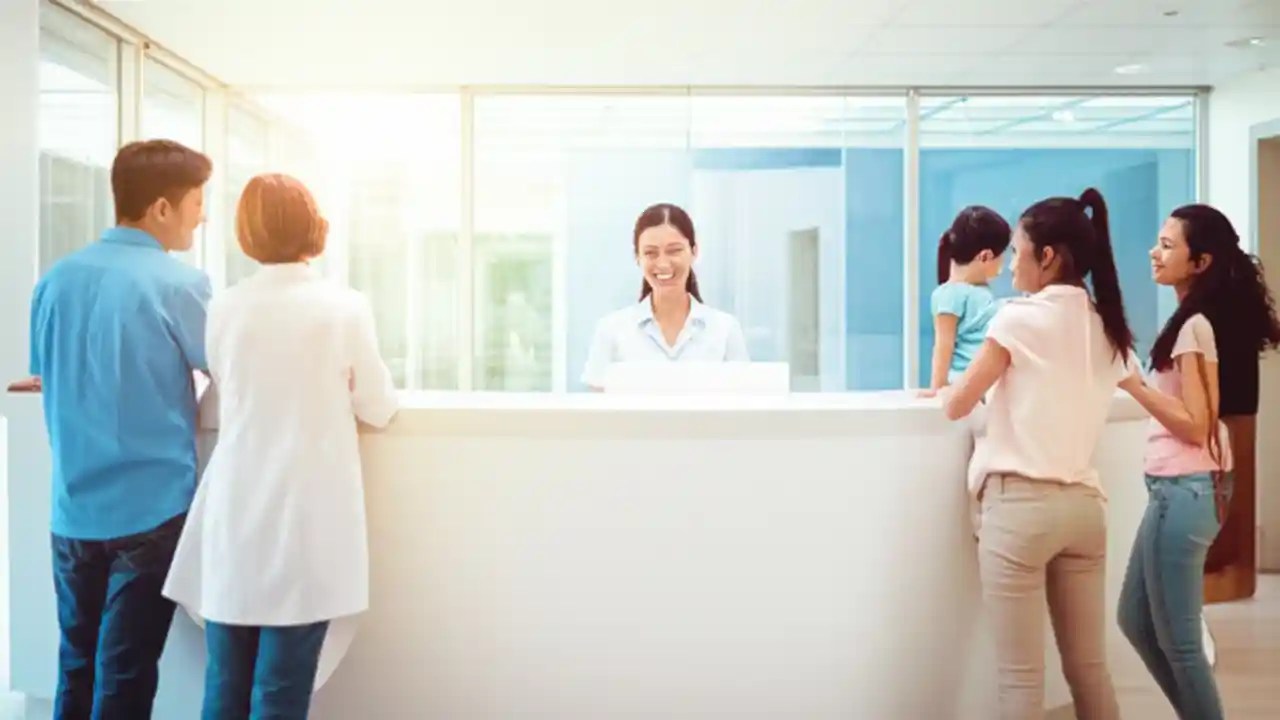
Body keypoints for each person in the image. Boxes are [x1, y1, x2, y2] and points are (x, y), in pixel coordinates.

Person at [162, 173, 399, 720]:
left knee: (225, 683)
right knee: (282, 688)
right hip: (303, 515)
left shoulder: (225, 306)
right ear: (314, 226)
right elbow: (378, 405)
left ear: (247, 232)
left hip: (233, 510)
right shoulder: (343, 307)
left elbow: (221, 396)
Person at [27, 139, 213, 719]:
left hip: (72, 509)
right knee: (126, 678)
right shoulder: (180, 283)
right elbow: (231, 367)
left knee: (76, 668)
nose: (202, 215)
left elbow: (43, 375)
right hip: (150, 512)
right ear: (162, 208)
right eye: (197, 202)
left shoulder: (54, 281)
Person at [942, 188, 1133, 720]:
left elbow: (957, 403)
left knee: (1021, 680)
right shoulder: (1107, 325)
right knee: (1089, 669)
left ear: (1047, 257)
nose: (1010, 269)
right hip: (1084, 511)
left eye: (1019, 252)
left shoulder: (1018, 319)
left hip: (1020, 511)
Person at [1116, 204, 1280, 720]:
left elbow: (1194, 423)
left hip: (1182, 490)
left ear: (1201, 261)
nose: (1154, 252)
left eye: (1168, 245)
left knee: (1180, 642)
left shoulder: (1194, 326)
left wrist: (1131, 383)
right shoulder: (1195, 321)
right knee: (1135, 620)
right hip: (1180, 489)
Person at [580, 203, 749, 391]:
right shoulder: (612, 329)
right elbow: (596, 412)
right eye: (650, 253)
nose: (663, 263)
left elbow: (742, 408)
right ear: (638, 257)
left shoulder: (724, 329)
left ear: (694, 252)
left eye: (674, 251)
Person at [924, 205, 1011, 395]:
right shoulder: (948, 295)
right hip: (968, 383)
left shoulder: (980, 292)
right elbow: (943, 345)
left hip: (986, 380)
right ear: (985, 256)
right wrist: (937, 387)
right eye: (1002, 256)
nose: (1005, 265)